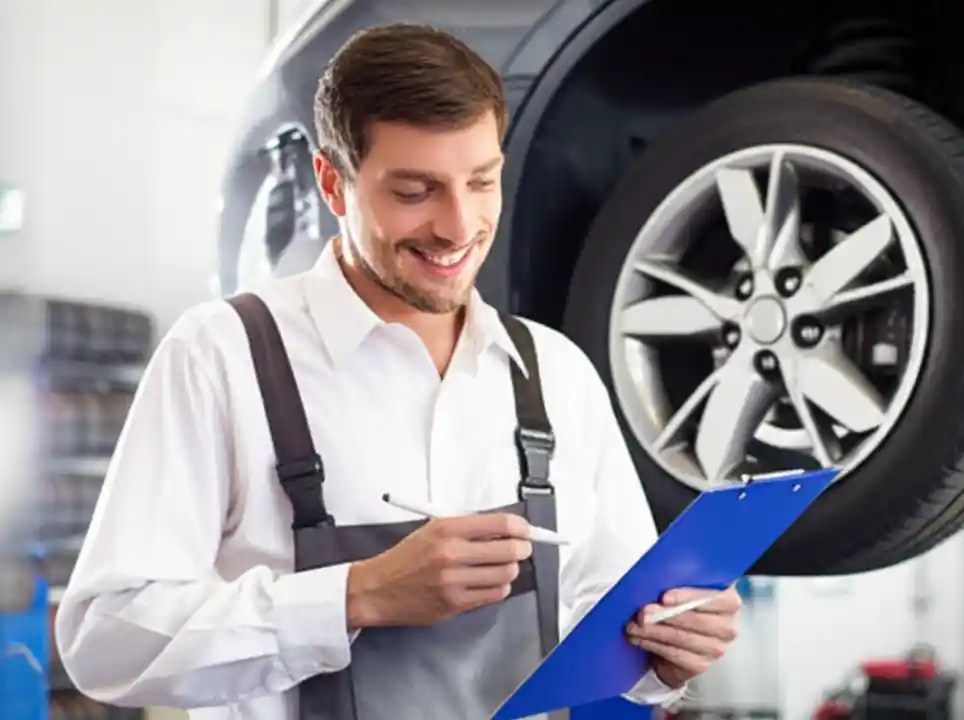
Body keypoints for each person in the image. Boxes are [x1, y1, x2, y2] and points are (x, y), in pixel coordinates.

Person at [54, 23, 741, 720]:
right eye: (415, 191)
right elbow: (105, 642)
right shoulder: (223, 355)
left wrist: (665, 651)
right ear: (332, 182)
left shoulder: (557, 375)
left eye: (481, 182)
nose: (459, 225)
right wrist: (358, 595)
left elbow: (604, 617)